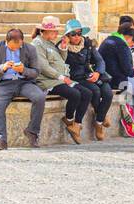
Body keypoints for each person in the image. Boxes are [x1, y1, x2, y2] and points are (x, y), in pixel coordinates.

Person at [31, 15, 90, 143]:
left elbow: (60, 61)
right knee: (75, 94)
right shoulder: (37, 44)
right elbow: (43, 66)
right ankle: (69, 120)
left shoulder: (50, 44)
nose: (57, 33)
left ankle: (76, 125)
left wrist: (63, 47)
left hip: (60, 79)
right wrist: (61, 77)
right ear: (45, 31)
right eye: (55, 30)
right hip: (48, 81)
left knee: (87, 93)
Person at [0, 28, 46, 151]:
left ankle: (32, 132)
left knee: (39, 97)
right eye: (12, 48)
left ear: (22, 42)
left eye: (18, 47)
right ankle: (1, 139)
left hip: (24, 82)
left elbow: (36, 72)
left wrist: (23, 70)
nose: (15, 49)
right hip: (3, 83)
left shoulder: (30, 49)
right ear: (6, 41)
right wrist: (3, 67)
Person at [99, 22, 134, 136]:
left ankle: (129, 110)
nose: (131, 46)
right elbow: (127, 71)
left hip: (109, 79)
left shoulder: (109, 39)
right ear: (129, 38)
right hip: (120, 81)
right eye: (133, 44)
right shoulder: (121, 45)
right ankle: (133, 121)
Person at [60, 19, 114, 140]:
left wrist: (98, 73)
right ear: (67, 35)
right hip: (77, 78)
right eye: (73, 34)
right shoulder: (63, 47)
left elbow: (100, 60)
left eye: (79, 33)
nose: (77, 37)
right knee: (95, 91)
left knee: (108, 93)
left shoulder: (87, 43)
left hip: (91, 75)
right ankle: (100, 121)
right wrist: (64, 47)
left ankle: (99, 120)